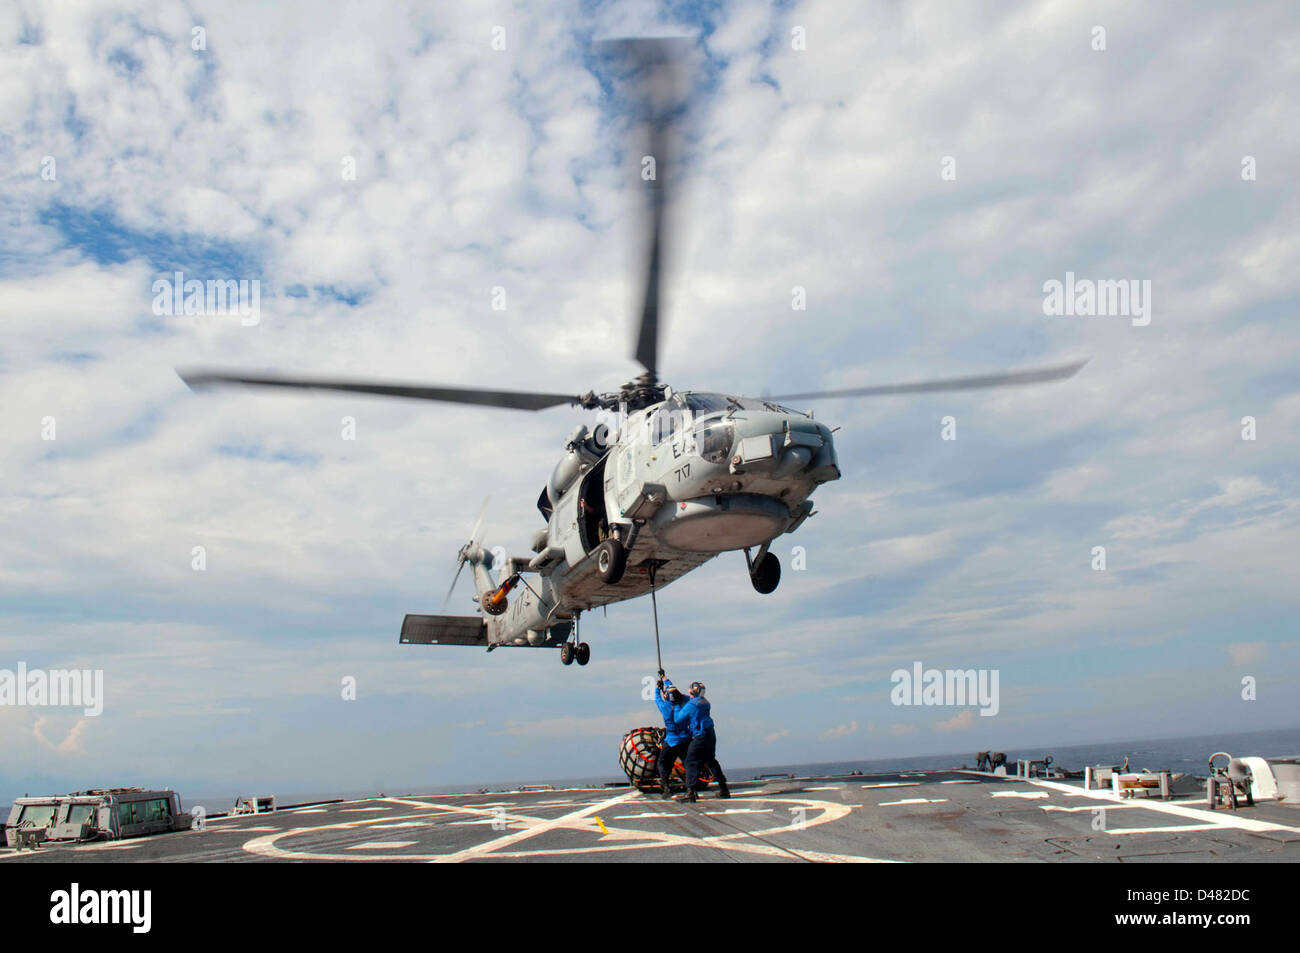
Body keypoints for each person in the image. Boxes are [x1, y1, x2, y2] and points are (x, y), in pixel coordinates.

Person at [674, 680, 730, 801]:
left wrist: (676, 704)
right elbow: (689, 699)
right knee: (710, 760)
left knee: (690, 762)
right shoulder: (704, 702)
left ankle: (691, 792)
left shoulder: (691, 705)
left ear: (692, 691)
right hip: (710, 734)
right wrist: (676, 692)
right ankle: (724, 789)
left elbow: (678, 719)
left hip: (701, 736)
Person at [653, 672, 691, 800]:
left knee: (663, 763)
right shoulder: (685, 703)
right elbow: (674, 691)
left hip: (671, 740)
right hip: (685, 739)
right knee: (687, 764)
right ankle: (691, 789)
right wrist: (665, 679)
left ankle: (666, 787)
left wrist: (658, 687)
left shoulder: (665, 707)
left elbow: (657, 698)